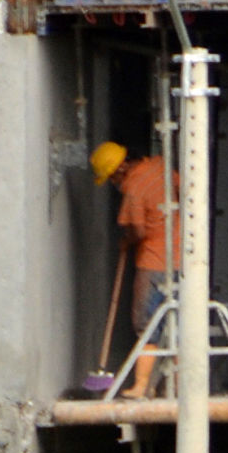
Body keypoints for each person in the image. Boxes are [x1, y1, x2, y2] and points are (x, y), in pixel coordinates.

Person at [94, 140, 176, 397]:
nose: (114, 183)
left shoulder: (133, 188)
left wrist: (127, 240)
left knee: (146, 324)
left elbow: (138, 231)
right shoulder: (160, 167)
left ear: (119, 169)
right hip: (182, 260)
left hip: (153, 262)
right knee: (177, 326)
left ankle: (142, 386)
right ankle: (179, 386)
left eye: (111, 177)